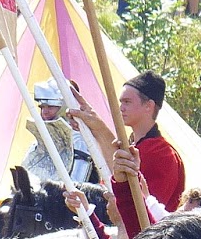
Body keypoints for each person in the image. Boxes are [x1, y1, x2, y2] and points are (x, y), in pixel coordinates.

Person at [69, 70, 185, 229]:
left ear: (148, 106)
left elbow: (145, 214)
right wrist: (94, 129)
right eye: (121, 102)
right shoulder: (138, 146)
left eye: (127, 102)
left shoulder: (163, 154)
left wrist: (98, 128)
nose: (121, 108)